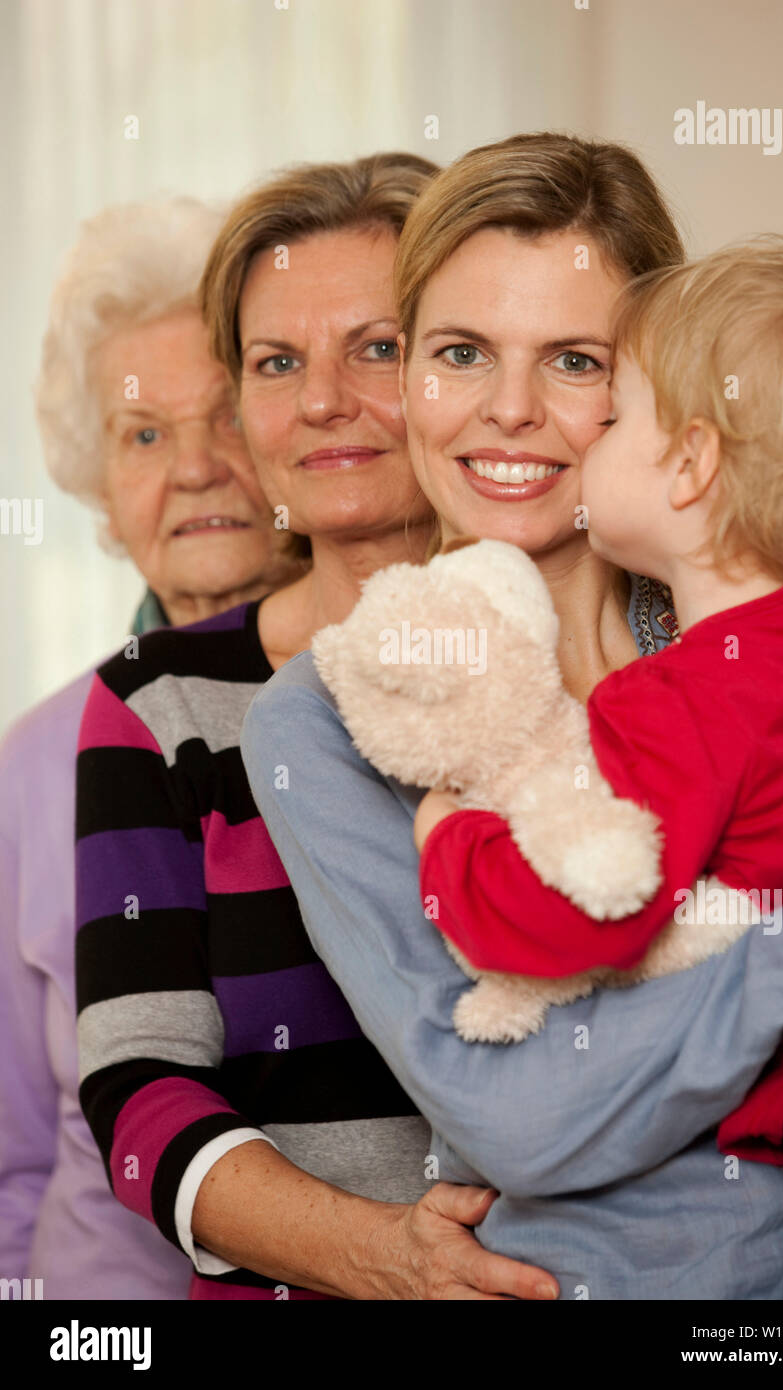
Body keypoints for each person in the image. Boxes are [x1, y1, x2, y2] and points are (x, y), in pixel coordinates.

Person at [242, 133, 783, 1299]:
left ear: (675, 407)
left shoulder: (763, 633)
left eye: (577, 363)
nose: (511, 410)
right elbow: (520, 1116)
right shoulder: (330, 720)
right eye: (461, 352)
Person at [74, 153, 559, 1301]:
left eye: (377, 349)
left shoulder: (585, 643)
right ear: (244, 405)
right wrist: (382, 1256)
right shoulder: (160, 698)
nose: (323, 400)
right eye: (276, 361)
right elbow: (138, 1091)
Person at [411, 237, 783, 1299]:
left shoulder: (686, 696)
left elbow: (586, 905)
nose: (568, 428)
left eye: (610, 412)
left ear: (691, 461)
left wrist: (452, 841)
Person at [0, 197, 297, 1299]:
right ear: (99, 481)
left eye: (228, 416)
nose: (197, 468)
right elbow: (15, 1158)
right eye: (143, 433)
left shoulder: (388, 703)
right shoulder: (31, 762)